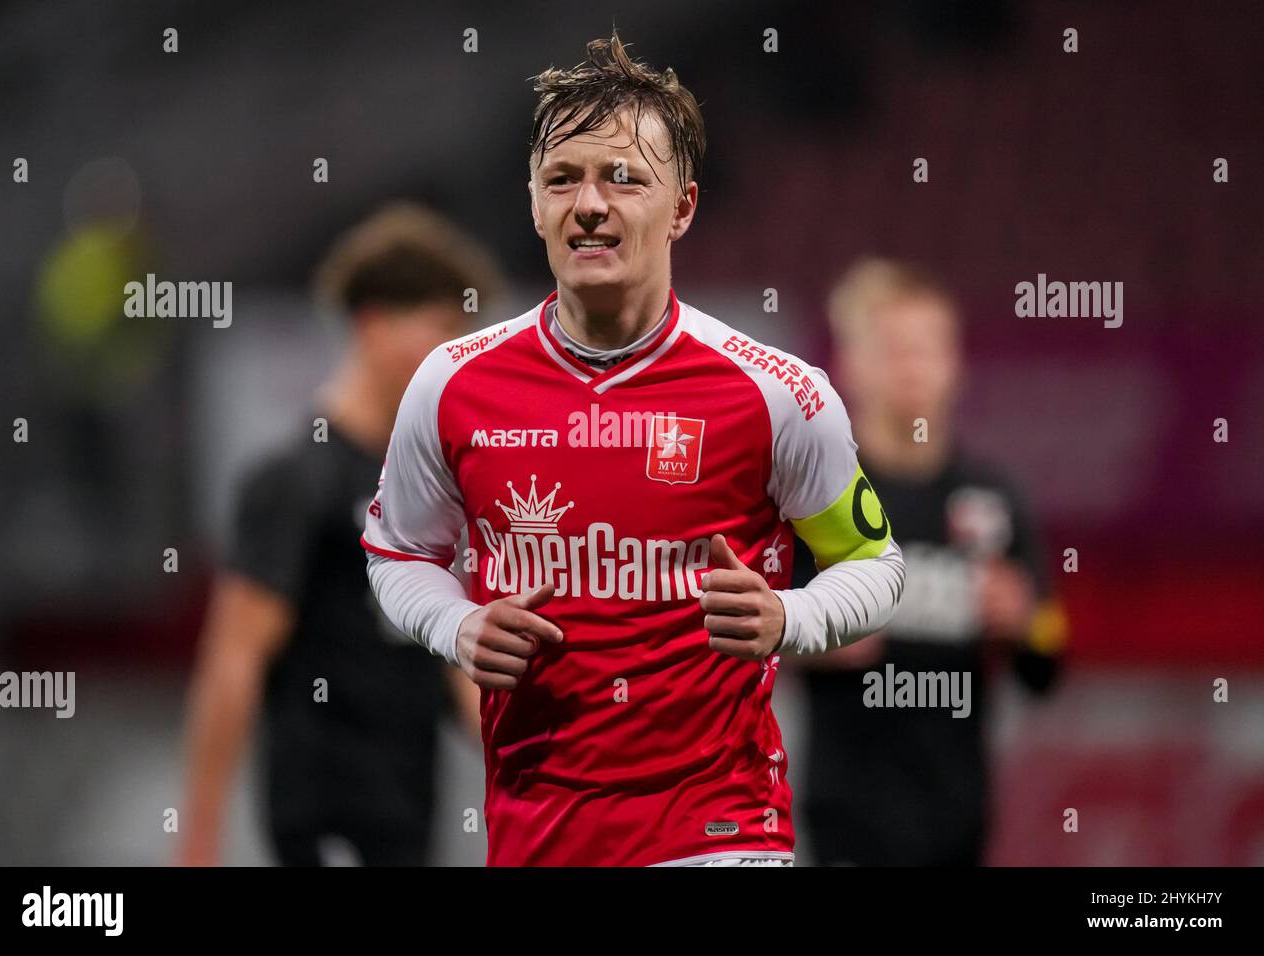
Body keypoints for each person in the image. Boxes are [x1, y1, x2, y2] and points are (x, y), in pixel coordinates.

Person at [362, 32, 905, 867]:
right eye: (563, 178)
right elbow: (398, 555)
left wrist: (791, 617)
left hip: (720, 827)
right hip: (535, 830)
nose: (590, 203)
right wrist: (456, 625)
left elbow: (876, 565)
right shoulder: (450, 387)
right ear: (535, 203)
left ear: (682, 207)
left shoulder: (776, 394)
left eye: (623, 177)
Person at [178, 204, 502, 866]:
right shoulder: (295, 481)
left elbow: (451, 669)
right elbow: (233, 659)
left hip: (410, 815)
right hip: (324, 817)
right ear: (374, 324)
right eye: (442, 329)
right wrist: (198, 835)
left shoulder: (427, 491)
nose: (456, 358)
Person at [795, 258, 1067, 866]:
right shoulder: (819, 496)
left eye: (930, 349)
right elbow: (745, 636)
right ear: (852, 365)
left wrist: (1026, 623)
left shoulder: (992, 499)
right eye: (894, 350)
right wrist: (808, 629)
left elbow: (1048, 660)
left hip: (959, 827)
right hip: (844, 828)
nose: (915, 368)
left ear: (955, 363)